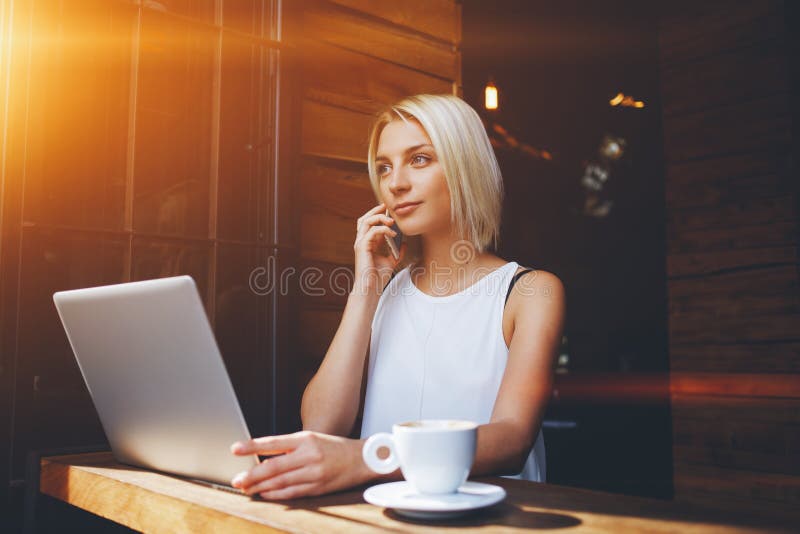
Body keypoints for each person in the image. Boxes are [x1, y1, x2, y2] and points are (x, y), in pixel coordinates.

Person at [229, 94, 566, 500]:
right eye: (384, 167)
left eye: (419, 159)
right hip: (386, 520)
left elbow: (512, 439)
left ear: (465, 165)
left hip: (490, 523)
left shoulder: (530, 292)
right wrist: (365, 290)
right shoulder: (387, 292)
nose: (395, 183)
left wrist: (368, 459)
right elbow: (321, 423)